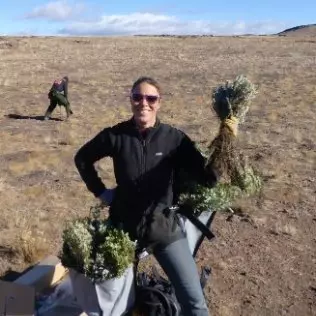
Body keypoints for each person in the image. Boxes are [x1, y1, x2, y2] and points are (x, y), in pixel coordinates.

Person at [74, 76, 220, 316]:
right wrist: (101, 191)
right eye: (137, 97)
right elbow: (82, 158)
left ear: (159, 103)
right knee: (117, 305)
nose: (144, 103)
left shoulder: (174, 139)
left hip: (164, 228)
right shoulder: (116, 135)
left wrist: (225, 142)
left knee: (195, 303)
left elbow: (208, 178)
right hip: (122, 230)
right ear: (130, 101)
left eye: (151, 98)